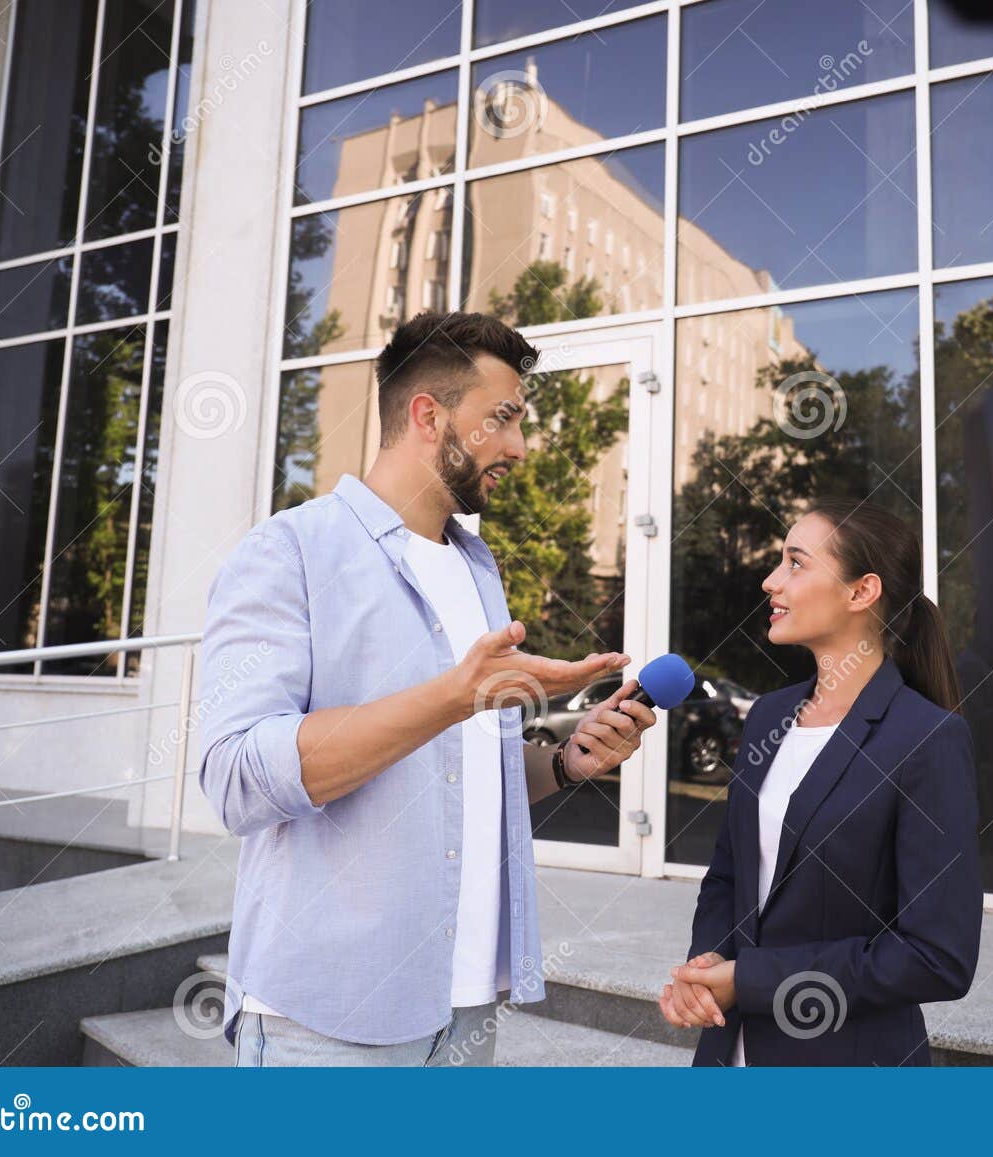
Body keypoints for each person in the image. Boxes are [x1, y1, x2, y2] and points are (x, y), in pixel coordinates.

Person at [197, 310, 658, 1066]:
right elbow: (237, 778)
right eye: (503, 418)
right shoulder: (289, 552)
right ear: (427, 415)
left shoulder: (480, 571)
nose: (518, 444)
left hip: (468, 1011)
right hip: (325, 1028)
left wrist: (569, 759)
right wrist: (451, 697)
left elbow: (460, 776)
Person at [660, 498, 982, 1066]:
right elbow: (729, 876)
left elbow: (938, 956)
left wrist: (754, 980)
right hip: (727, 1055)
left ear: (861, 592)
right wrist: (705, 965)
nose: (770, 581)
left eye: (795, 563)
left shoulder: (928, 739)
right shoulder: (766, 716)